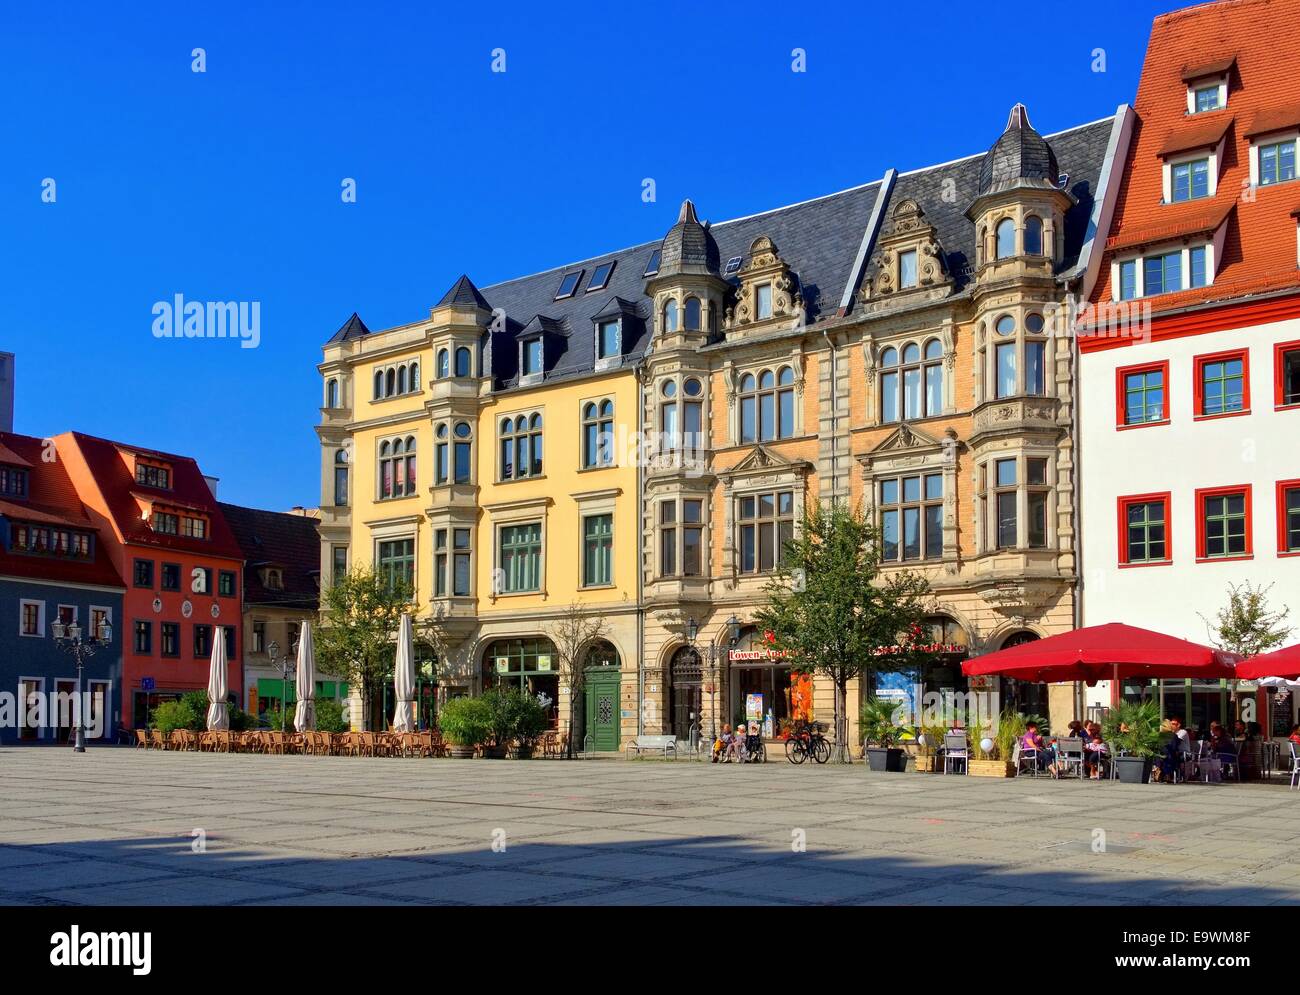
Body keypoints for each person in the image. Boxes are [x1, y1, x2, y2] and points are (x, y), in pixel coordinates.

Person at [1155, 716, 1190, 782]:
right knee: (1172, 757)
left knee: (1164, 756)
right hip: (1171, 756)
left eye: (1174, 724)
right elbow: (1174, 747)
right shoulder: (1173, 735)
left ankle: (1159, 769)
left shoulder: (1183, 732)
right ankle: (1168, 775)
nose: (1172, 725)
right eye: (1171, 724)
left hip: (1161, 757)